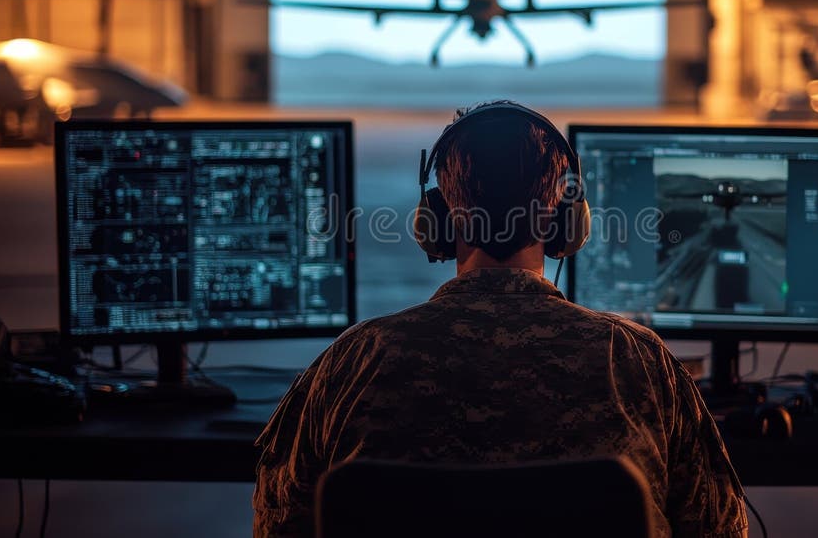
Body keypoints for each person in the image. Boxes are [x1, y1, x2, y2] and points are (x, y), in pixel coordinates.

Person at [253, 101, 748, 537]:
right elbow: (719, 530)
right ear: (565, 220)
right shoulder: (641, 365)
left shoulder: (350, 365)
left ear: (436, 220)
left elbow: (279, 526)